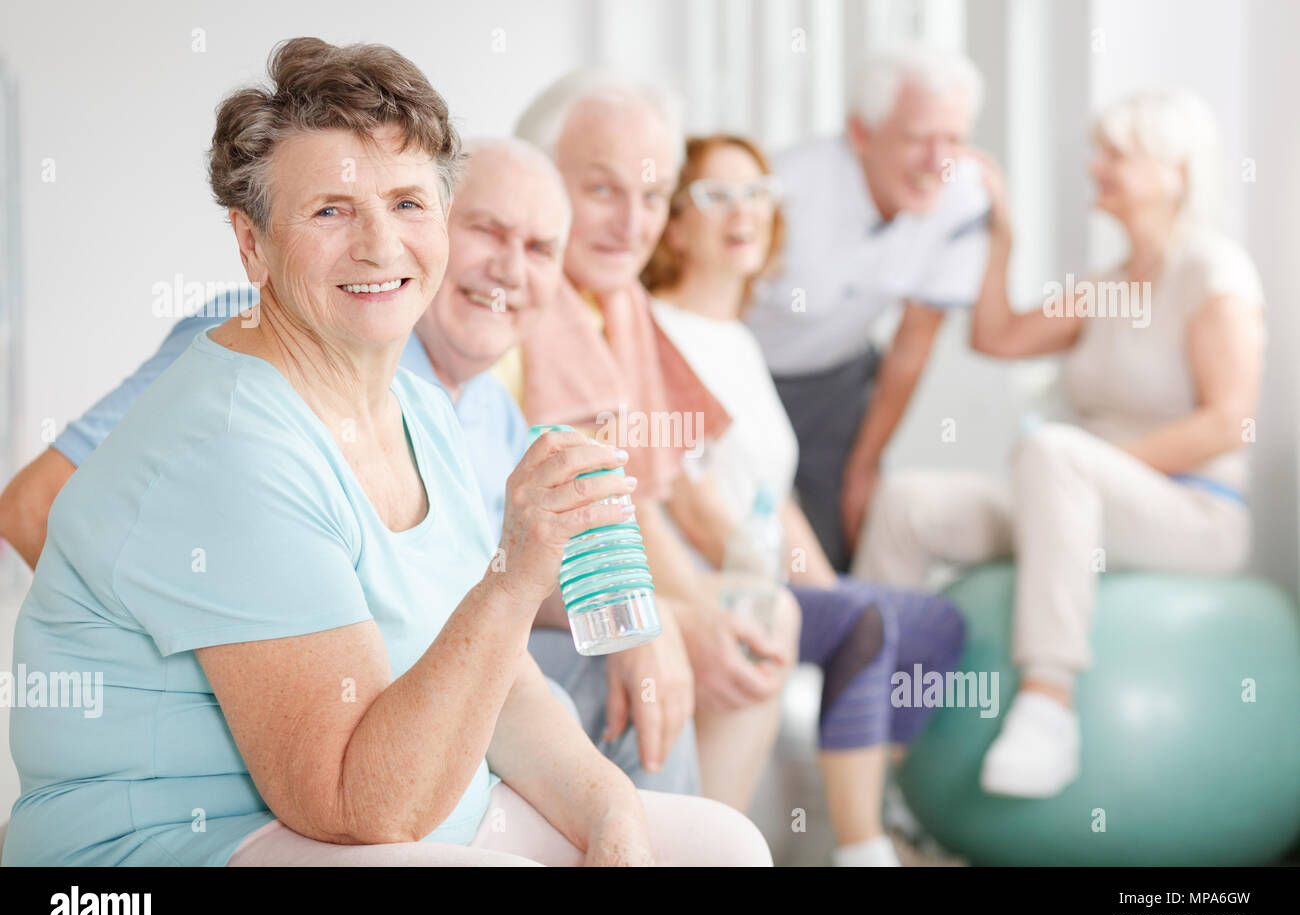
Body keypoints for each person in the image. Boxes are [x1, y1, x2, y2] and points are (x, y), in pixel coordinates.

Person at [0, 38, 770, 866]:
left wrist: (611, 811)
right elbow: (357, 807)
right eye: (330, 209)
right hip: (183, 838)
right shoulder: (230, 444)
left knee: (722, 845)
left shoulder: (418, 403)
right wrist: (514, 574)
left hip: (393, 811)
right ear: (251, 242)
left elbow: (499, 683)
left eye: (408, 202)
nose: (378, 244)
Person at [855, 90, 1265, 799]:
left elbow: (1231, 421)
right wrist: (1001, 238)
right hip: (1076, 502)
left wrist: (1092, 474)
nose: (1096, 165)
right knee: (906, 502)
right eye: (1098, 150)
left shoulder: (1214, 273)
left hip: (1191, 515)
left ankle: (1050, 708)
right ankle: (871, 736)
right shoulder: (1109, 287)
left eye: (1117, 153)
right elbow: (998, 336)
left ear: (1176, 170)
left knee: (1054, 450)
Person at [643, 133, 966, 866]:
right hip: (711, 576)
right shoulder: (653, 329)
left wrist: (822, 584)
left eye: (758, 193)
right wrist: (813, 597)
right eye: (717, 196)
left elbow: (775, 497)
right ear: (674, 223)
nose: (744, 212)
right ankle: (863, 849)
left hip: (767, 564)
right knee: (863, 620)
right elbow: (686, 501)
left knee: (933, 622)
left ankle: (874, 801)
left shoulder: (740, 341)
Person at [502, 69, 804, 817]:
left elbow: (658, 486)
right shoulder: (512, 307)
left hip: (583, 583)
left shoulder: (620, 306)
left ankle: (714, 840)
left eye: (652, 195)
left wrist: (713, 590)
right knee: (695, 632)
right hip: (535, 601)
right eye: (601, 190)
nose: (631, 223)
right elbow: (592, 513)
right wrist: (683, 611)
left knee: (762, 615)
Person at [744, 46, 991, 571]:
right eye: (918, 138)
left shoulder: (964, 199)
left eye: (954, 140)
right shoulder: (783, 190)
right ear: (861, 135)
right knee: (751, 539)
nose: (937, 161)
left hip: (837, 384)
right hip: (745, 377)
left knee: (842, 538)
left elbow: (911, 347)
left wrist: (864, 467)